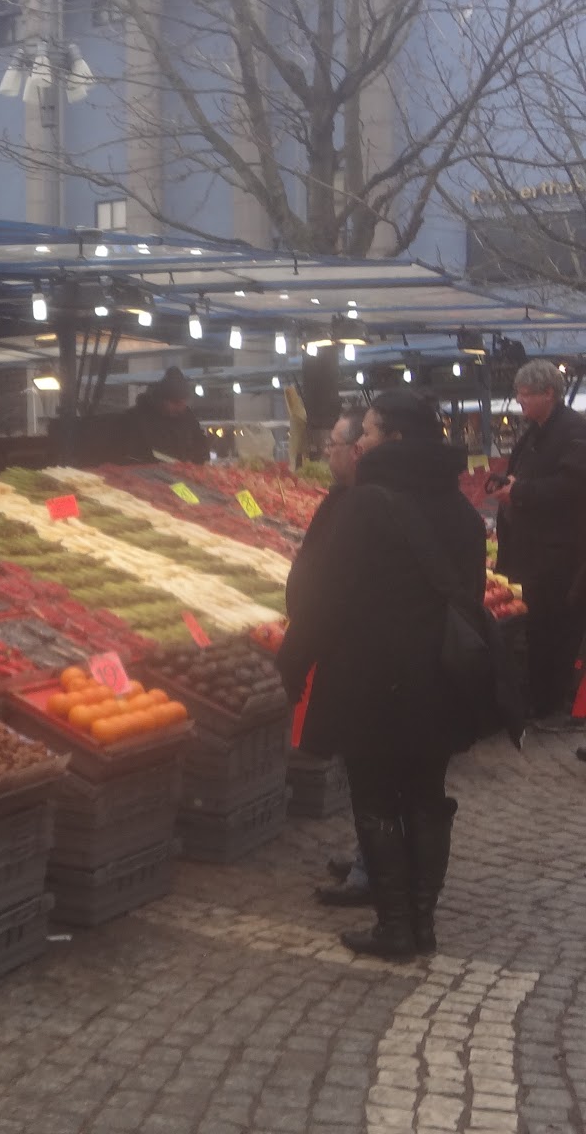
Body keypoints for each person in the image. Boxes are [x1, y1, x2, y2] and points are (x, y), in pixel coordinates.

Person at [277, 390, 486, 961]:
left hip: (372, 679)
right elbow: (469, 596)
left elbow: (324, 600)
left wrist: (290, 667)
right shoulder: (463, 511)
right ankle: (423, 923)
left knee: (375, 797)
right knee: (426, 796)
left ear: (394, 439)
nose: (359, 441)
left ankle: (396, 926)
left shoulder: (366, 505)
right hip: (440, 681)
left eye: (366, 431)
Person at [286, 408, 372, 909]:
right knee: (361, 766)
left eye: (335, 444)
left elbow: (332, 588)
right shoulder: (345, 498)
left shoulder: (364, 506)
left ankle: (374, 870)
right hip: (349, 650)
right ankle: (369, 853)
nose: (328, 453)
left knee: (374, 768)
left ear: (358, 448)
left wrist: (296, 656)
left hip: (361, 656)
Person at [492, 359, 586, 730]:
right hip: (533, 552)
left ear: (549, 393)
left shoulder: (574, 430)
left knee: (557, 628)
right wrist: (508, 483)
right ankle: (540, 700)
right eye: (518, 393)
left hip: (562, 553)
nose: (519, 401)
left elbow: (572, 485)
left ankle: (553, 705)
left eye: (526, 394)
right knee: (538, 627)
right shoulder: (536, 430)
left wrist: (521, 491)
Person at [125, 367, 209, 464]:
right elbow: (134, 454)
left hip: (181, 474)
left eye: (184, 403)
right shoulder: (138, 418)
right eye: (176, 403)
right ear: (161, 399)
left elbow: (200, 443)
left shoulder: (187, 417)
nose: (180, 408)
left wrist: (196, 461)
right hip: (147, 475)